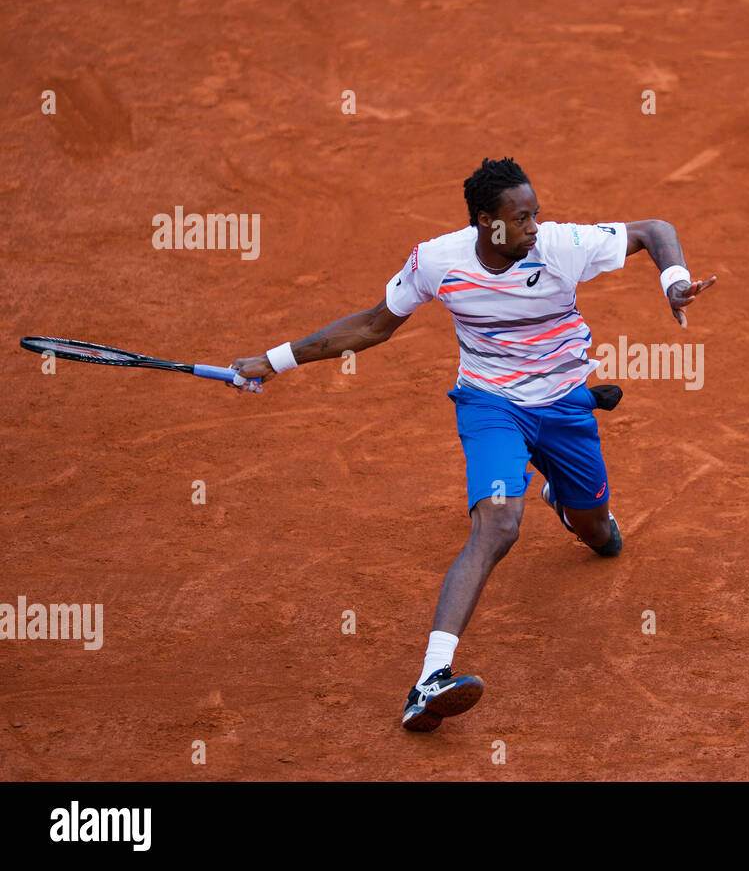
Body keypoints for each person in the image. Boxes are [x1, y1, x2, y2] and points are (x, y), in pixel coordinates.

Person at [228, 157, 717, 731]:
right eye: (522, 218)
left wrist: (673, 281)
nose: (535, 227)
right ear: (488, 221)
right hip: (492, 406)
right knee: (499, 524)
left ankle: (566, 502)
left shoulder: (561, 246)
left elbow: (654, 230)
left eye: (536, 214)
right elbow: (372, 326)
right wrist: (275, 360)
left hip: (564, 404)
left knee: (602, 538)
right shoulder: (437, 261)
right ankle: (430, 678)